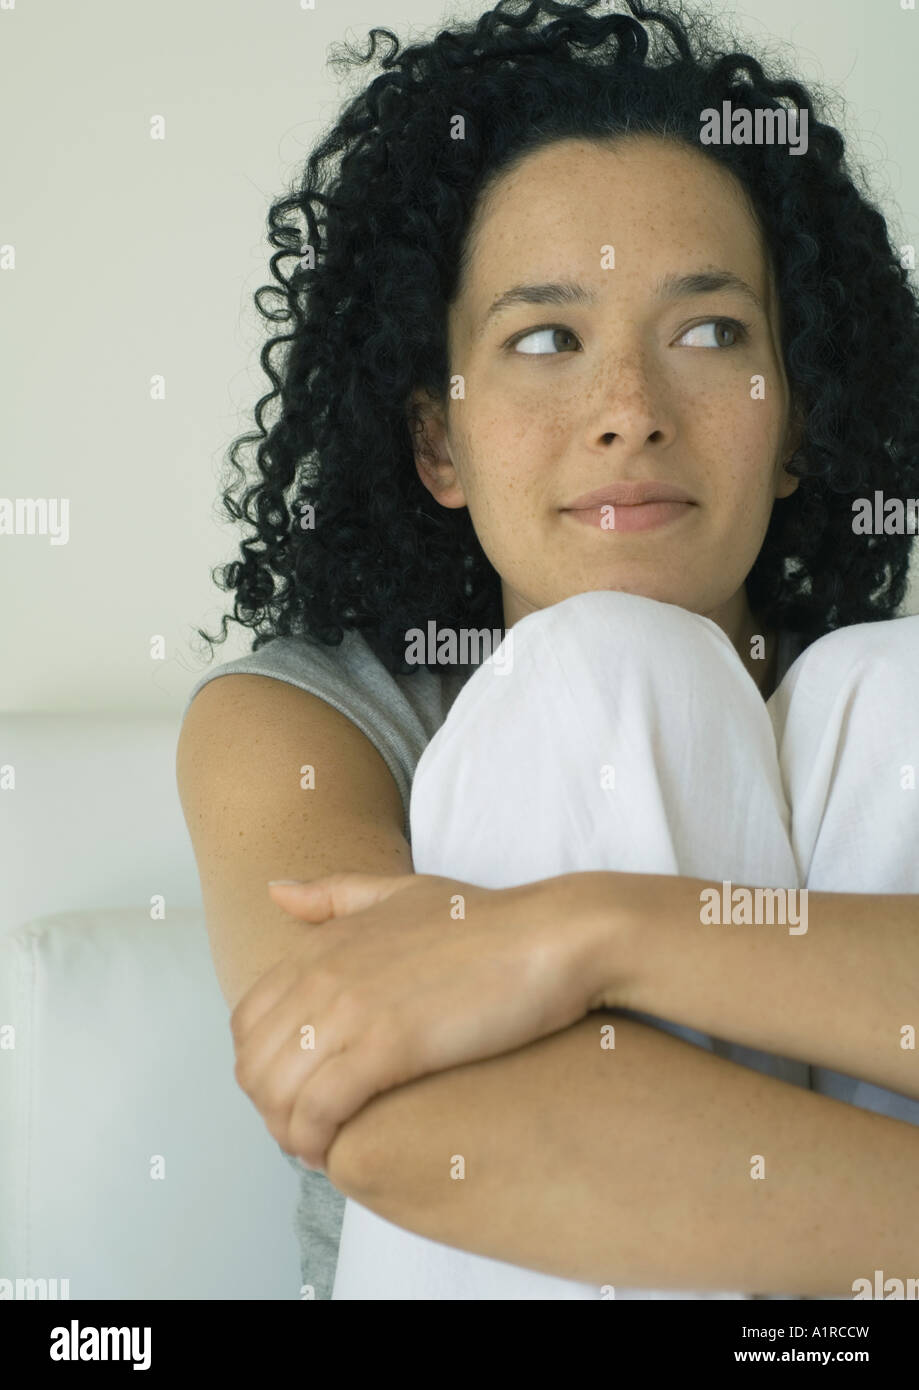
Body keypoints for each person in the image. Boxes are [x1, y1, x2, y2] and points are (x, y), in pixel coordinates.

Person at [177, 0, 919, 1300]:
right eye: (544, 339)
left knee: (890, 683)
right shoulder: (301, 724)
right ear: (438, 445)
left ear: (797, 422)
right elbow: (384, 1103)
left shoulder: (878, 722)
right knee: (610, 668)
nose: (629, 411)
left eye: (708, 332)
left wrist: (581, 933)